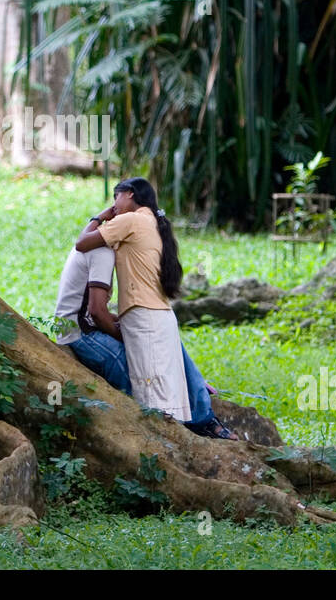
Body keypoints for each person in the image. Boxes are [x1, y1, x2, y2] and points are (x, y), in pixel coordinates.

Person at [73, 177, 236, 437]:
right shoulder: (152, 224)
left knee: (153, 396)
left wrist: (98, 217)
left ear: (129, 194)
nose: (114, 206)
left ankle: (167, 450)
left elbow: (82, 243)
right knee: (168, 391)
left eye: (116, 198)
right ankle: (202, 428)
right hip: (161, 316)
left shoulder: (130, 220)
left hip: (143, 318)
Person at [52, 242, 236, 438]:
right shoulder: (102, 252)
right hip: (80, 333)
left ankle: (196, 395)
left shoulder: (108, 251)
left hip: (90, 325)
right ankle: (173, 429)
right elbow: (96, 312)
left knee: (167, 338)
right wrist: (129, 338)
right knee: (132, 368)